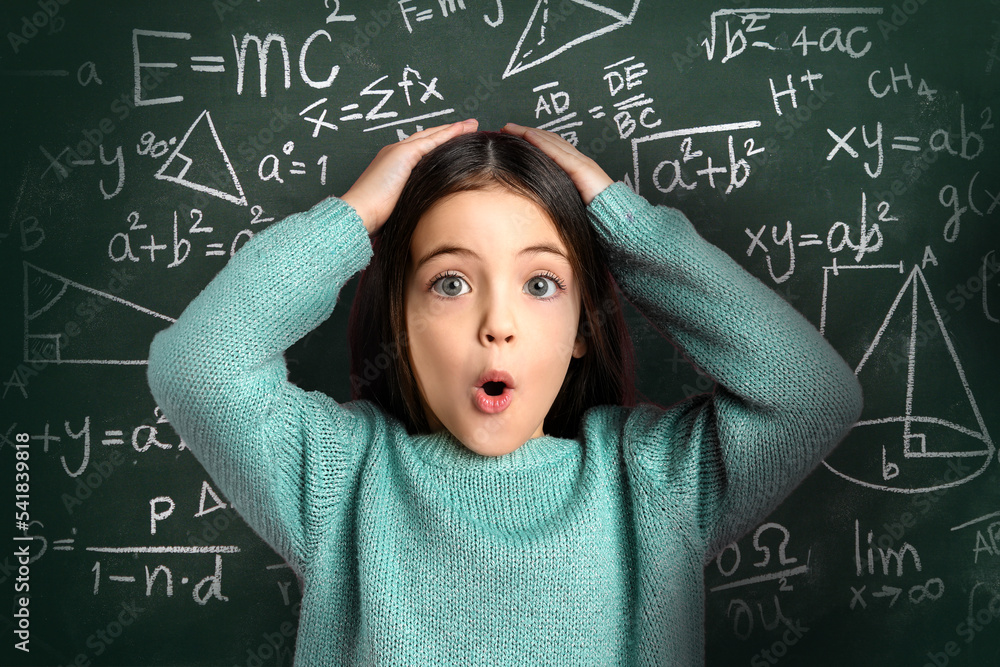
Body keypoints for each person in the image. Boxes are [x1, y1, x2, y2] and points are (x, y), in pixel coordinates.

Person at [147, 119, 862, 666]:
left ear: (584, 326)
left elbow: (812, 395)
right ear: (403, 317)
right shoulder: (341, 477)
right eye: (450, 283)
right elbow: (200, 367)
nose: (498, 325)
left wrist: (633, 233)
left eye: (541, 283)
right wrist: (354, 216)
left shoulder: (652, 481)